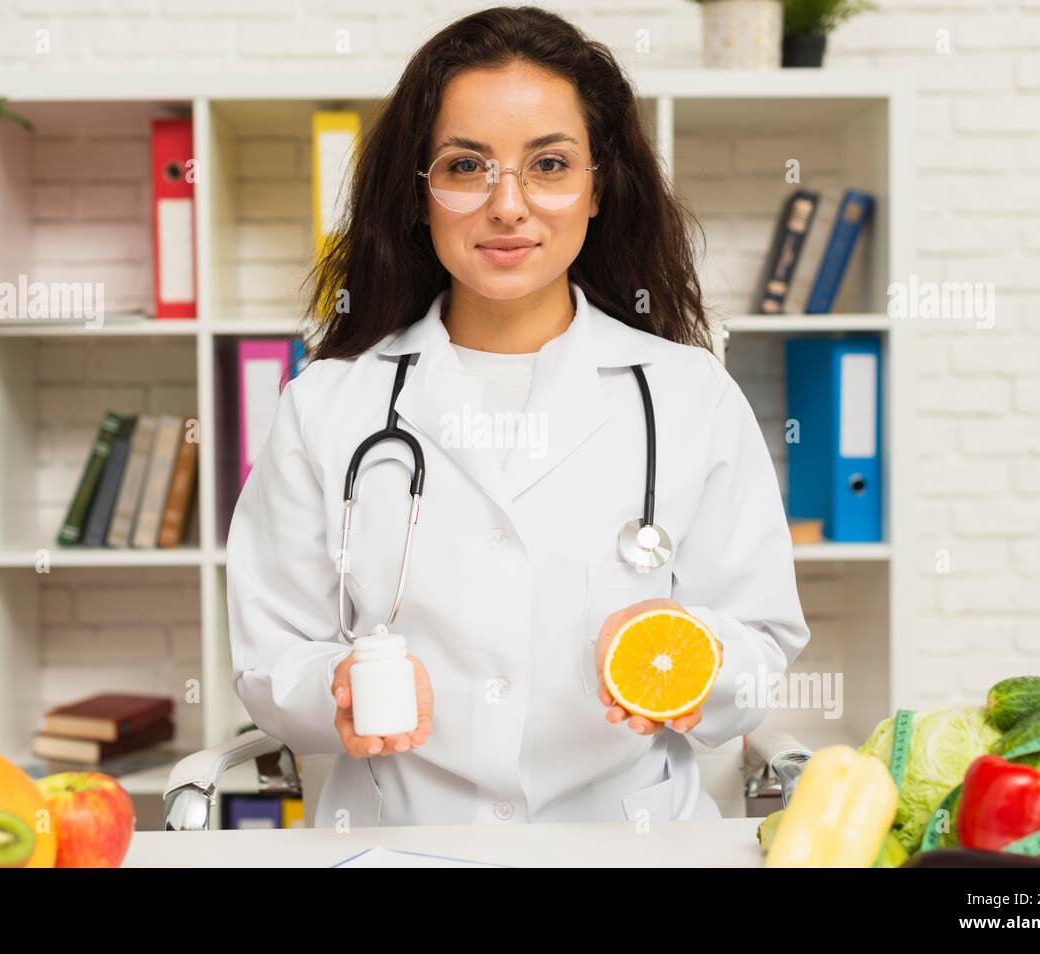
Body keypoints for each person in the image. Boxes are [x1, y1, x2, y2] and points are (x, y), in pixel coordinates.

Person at [227, 6, 809, 827]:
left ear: (599, 184)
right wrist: (335, 687)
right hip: (401, 841)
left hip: (628, 844)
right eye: (467, 166)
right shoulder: (330, 405)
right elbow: (270, 653)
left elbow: (761, 643)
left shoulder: (689, 396)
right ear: (419, 191)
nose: (508, 206)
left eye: (549, 164)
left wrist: (690, 656)